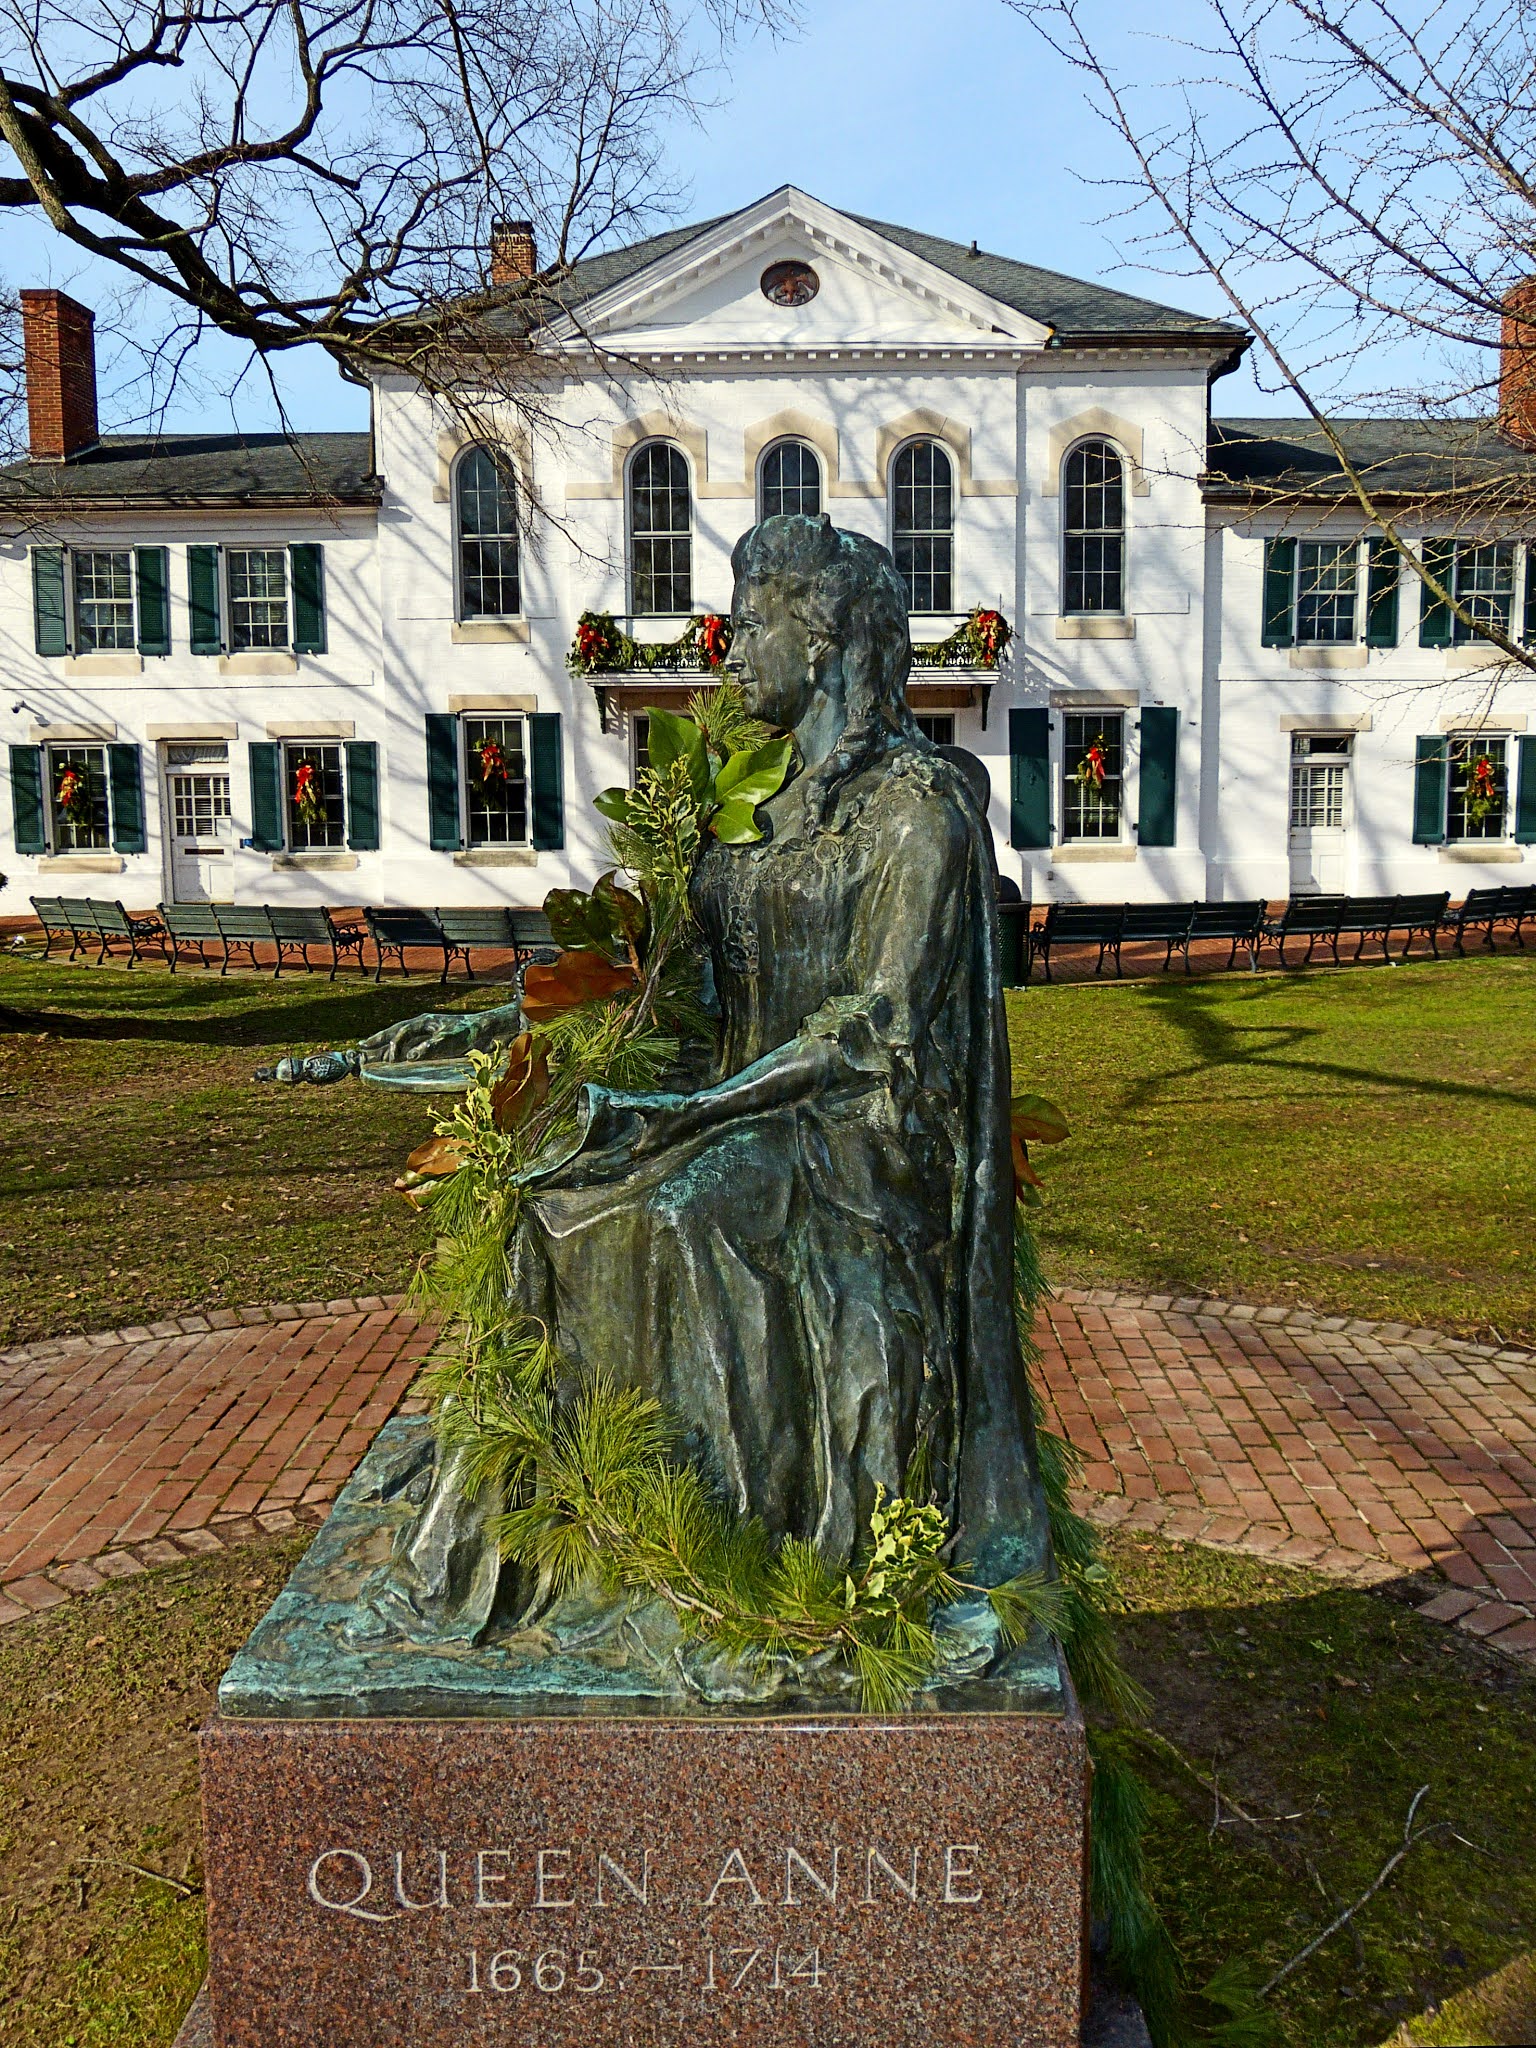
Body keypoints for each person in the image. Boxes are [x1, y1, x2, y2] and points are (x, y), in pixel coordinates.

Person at [367, 515, 1051, 1678]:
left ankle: (738, 1560)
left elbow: (877, 1028)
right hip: (738, 1106)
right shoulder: (748, 822)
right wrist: (501, 1018)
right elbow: (664, 998)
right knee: (554, 1195)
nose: (725, 647)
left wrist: (691, 1116)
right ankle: (586, 1534)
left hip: (859, 1143)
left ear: (824, 641)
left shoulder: (917, 810)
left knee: (685, 1209)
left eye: (754, 622)